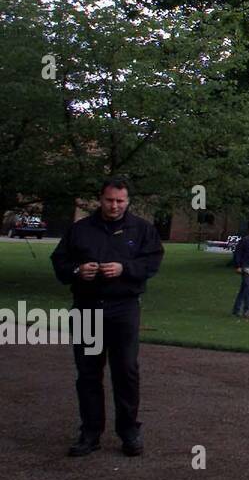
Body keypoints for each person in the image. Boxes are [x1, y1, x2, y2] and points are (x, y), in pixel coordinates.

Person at [50, 177, 164, 458]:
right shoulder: (80, 229)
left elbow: (152, 262)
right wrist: (78, 271)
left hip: (123, 308)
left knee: (126, 370)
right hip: (87, 307)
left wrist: (125, 268)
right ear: (100, 199)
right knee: (88, 373)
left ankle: (129, 430)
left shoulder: (142, 229)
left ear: (128, 201)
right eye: (109, 200)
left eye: (120, 201)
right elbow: (60, 262)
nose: (114, 206)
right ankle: (90, 432)